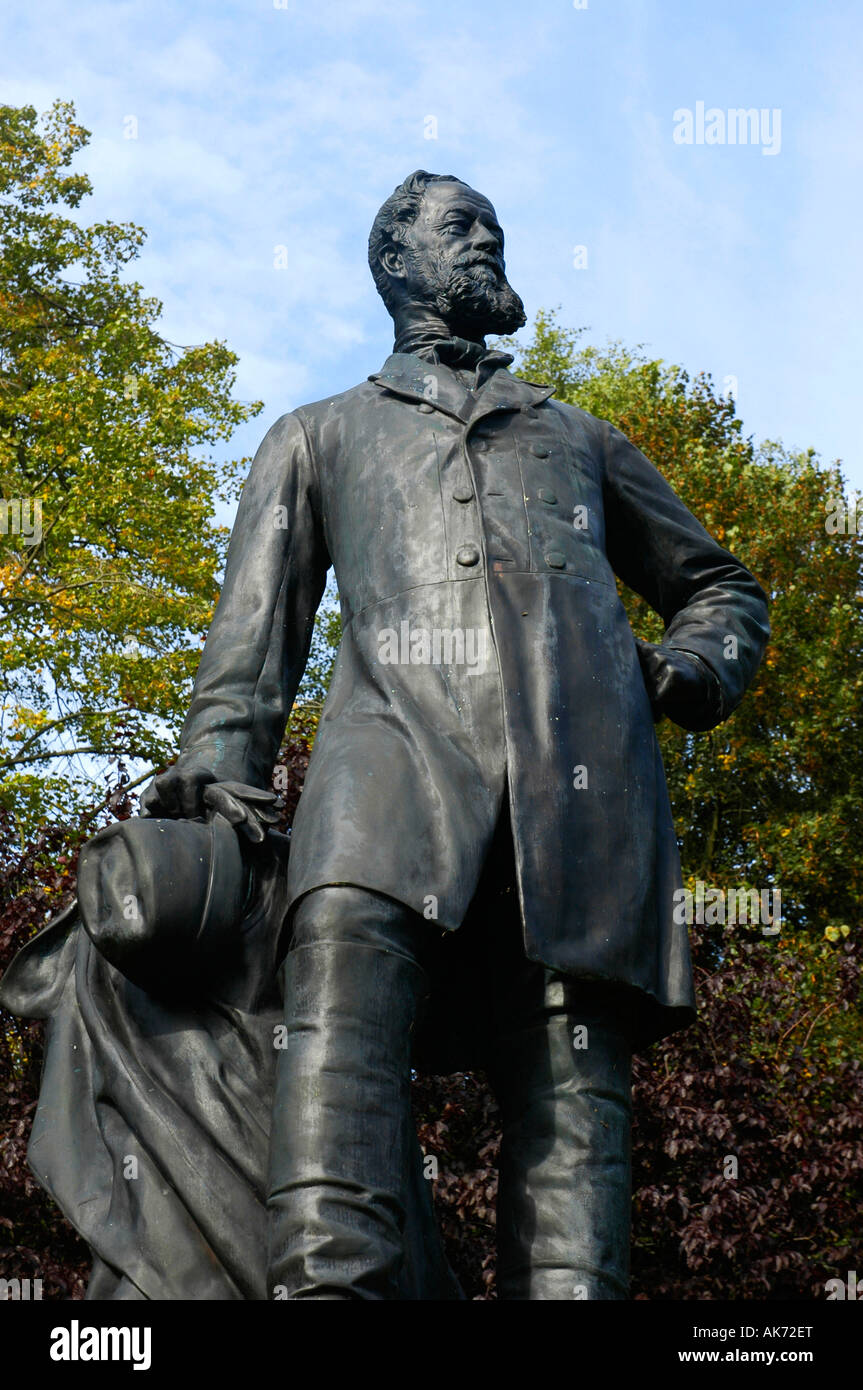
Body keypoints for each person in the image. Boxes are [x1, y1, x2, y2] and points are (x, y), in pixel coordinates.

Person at [142, 171, 769, 1299]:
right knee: (334, 1058)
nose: (487, 242)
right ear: (394, 261)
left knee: (572, 1109)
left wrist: (684, 670)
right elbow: (251, 650)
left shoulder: (578, 438)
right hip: (379, 788)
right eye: (460, 228)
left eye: (493, 228)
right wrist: (213, 775)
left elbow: (719, 585)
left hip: (578, 815)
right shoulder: (317, 435)